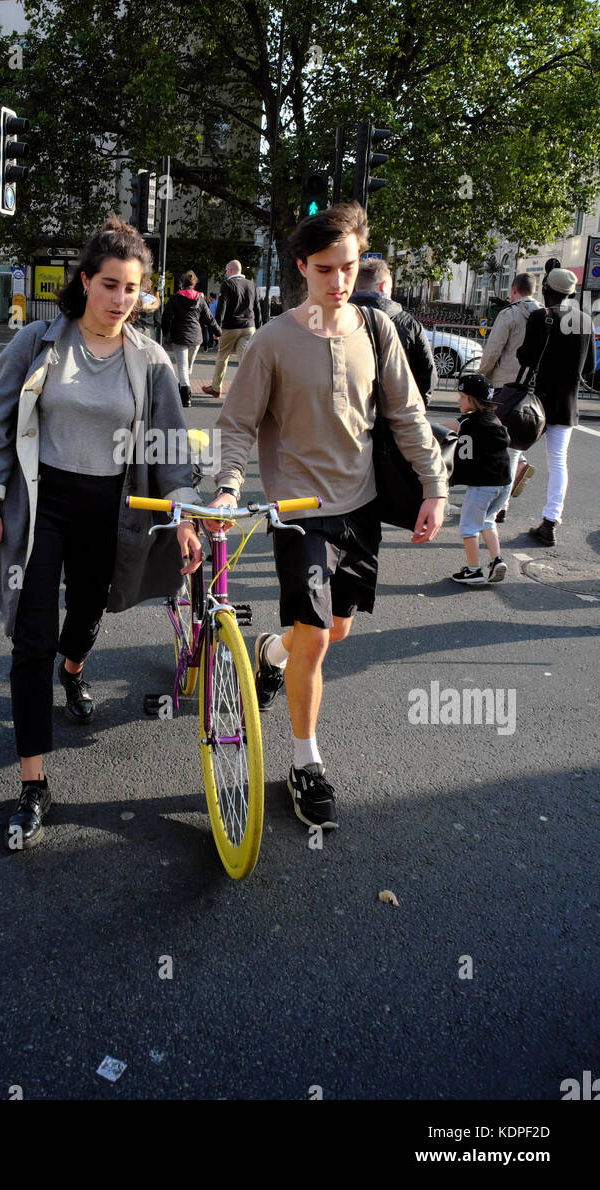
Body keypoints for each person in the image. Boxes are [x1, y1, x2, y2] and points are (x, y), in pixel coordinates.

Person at [205, 202, 447, 831]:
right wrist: (229, 488)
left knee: (335, 633)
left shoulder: (378, 330)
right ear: (301, 268)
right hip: (297, 510)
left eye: (349, 266)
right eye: (324, 269)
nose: (339, 281)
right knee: (314, 637)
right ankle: (305, 761)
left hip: (361, 506)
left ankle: (269, 653)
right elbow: (235, 426)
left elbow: (407, 415)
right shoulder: (272, 341)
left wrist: (435, 487)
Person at [0, 215, 202, 850]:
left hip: (114, 505)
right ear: (84, 281)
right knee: (30, 636)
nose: (121, 299)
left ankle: (75, 666)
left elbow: (170, 441)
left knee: (90, 609)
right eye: (110, 285)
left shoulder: (149, 359)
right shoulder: (41, 341)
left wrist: (182, 512)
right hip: (43, 504)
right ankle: (34, 784)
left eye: (133, 288)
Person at [515, 267, 596, 546]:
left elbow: (525, 356)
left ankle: (497, 511)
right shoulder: (585, 321)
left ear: (546, 290)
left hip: (533, 403)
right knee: (558, 463)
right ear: (572, 293)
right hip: (566, 403)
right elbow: (590, 368)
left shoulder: (541, 317)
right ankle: (550, 522)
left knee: (512, 454)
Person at [475, 272, 540, 523]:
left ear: (514, 290)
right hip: (533, 389)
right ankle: (517, 472)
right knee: (515, 444)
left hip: (505, 385)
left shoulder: (509, 314)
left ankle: (499, 503)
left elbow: (493, 351)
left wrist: (480, 377)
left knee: (497, 440)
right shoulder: (546, 316)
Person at [446, 374, 511, 585]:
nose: (459, 400)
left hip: (483, 486)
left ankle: (473, 571)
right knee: (487, 521)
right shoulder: (495, 419)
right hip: (503, 484)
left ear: (473, 399)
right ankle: (496, 559)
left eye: (462, 396)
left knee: (468, 527)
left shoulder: (468, 421)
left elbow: (445, 429)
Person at [349, 257, 435, 405]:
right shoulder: (408, 323)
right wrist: (416, 407)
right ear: (383, 286)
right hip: (395, 409)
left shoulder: (340, 318)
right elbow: (427, 371)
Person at [201, 259, 261, 397]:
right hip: (249, 327)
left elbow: (222, 307)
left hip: (231, 326)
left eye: (227, 270)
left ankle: (216, 388)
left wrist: (217, 328)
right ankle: (251, 389)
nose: (226, 273)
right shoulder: (251, 284)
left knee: (223, 356)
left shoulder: (228, 284)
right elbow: (257, 307)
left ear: (231, 270)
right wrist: (259, 326)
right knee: (245, 359)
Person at [160, 269, 220, 406]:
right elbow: (209, 318)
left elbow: (166, 317)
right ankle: (183, 389)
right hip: (196, 337)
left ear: (182, 282)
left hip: (179, 336)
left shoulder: (175, 298)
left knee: (182, 367)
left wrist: (165, 332)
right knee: (187, 367)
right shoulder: (200, 298)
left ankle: (185, 396)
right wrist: (218, 331)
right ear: (194, 283)